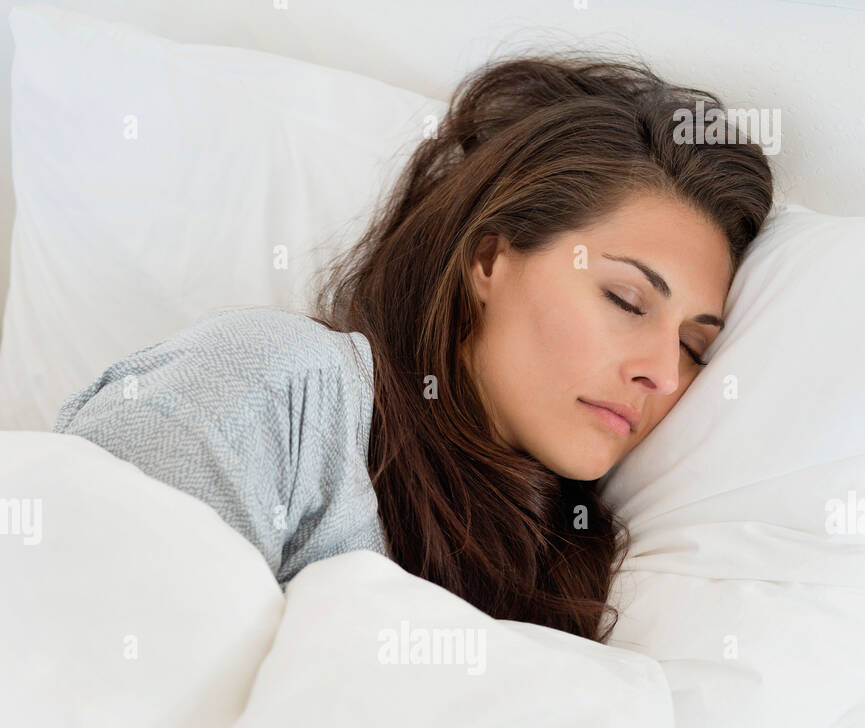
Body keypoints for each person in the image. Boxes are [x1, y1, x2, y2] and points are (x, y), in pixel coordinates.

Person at [54, 52, 773, 640]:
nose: (659, 372)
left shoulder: (572, 570)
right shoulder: (280, 387)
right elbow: (71, 648)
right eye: (625, 300)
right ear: (488, 261)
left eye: (692, 347)